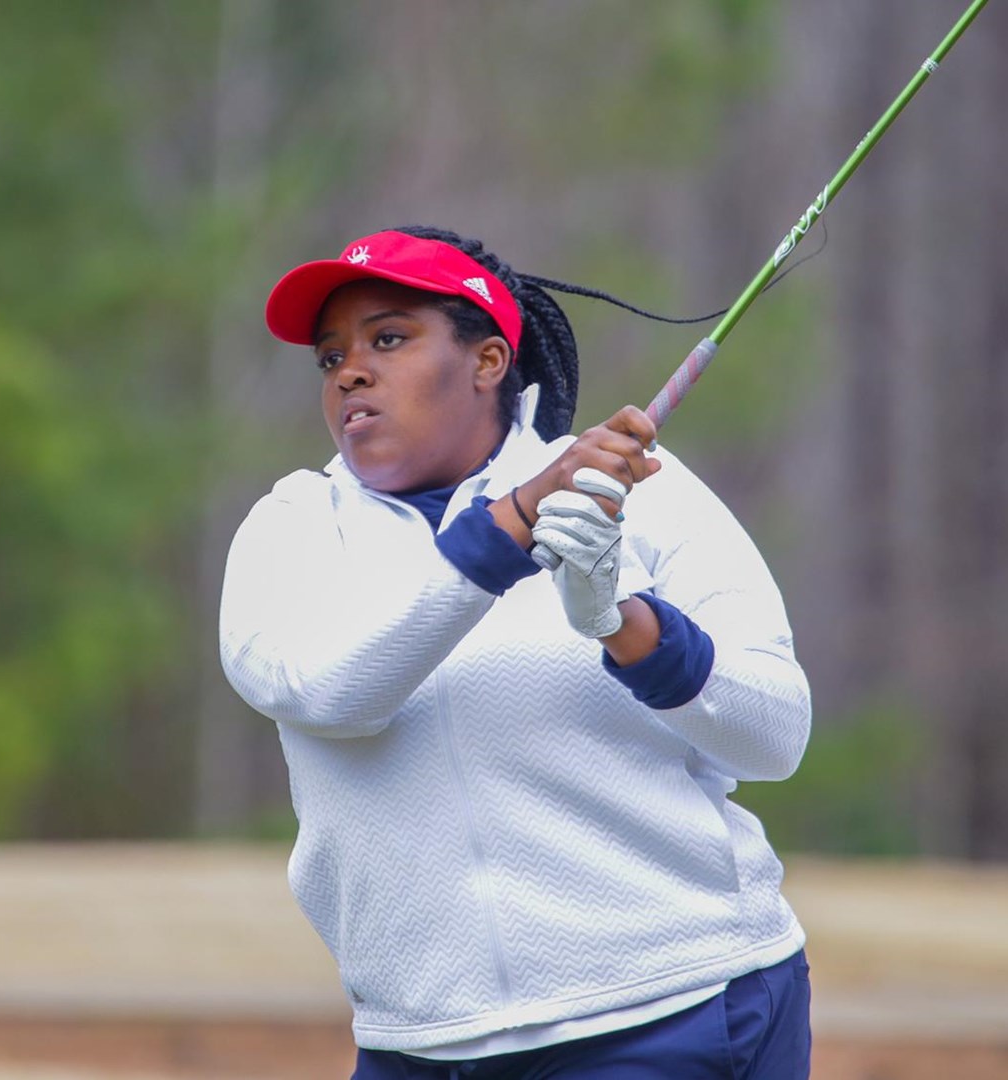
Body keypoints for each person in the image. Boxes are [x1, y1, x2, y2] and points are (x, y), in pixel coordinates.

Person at [219, 226, 813, 1078]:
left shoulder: (646, 489)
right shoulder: (294, 526)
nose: (350, 371)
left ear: (490, 360)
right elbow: (328, 693)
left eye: (389, 338)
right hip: (415, 1042)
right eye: (330, 357)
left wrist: (622, 622)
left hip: (669, 1010)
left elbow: (775, 735)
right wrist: (508, 530)